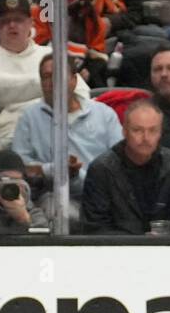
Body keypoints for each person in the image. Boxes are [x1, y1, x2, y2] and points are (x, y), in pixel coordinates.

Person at [0, 0, 86, 162]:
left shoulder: (52, 54)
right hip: (1, 141)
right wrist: (50, 86)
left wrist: (18, 109)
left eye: (19, 20)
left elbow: (81, 94)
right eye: (5, 21)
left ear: (31, 23)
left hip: (56, 134)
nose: (12, 25)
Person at [11, 52, 123, 220]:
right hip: (55, 197)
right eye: (46, 77)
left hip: (101, 195)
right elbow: (20, 168)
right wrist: (55, 170)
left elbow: (120, 163)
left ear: (74, 79)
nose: (52, 82)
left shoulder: (104, 114)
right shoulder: (29, 117)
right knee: (60, 210)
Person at [80, 97, 170, 233]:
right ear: (124, 131)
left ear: (161, 133)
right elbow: (95, 228)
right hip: (117, 250)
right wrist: (140, 243)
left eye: (153, 130)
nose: (145, 137)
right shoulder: (101, 169)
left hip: (166, 249)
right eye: (137, 130)